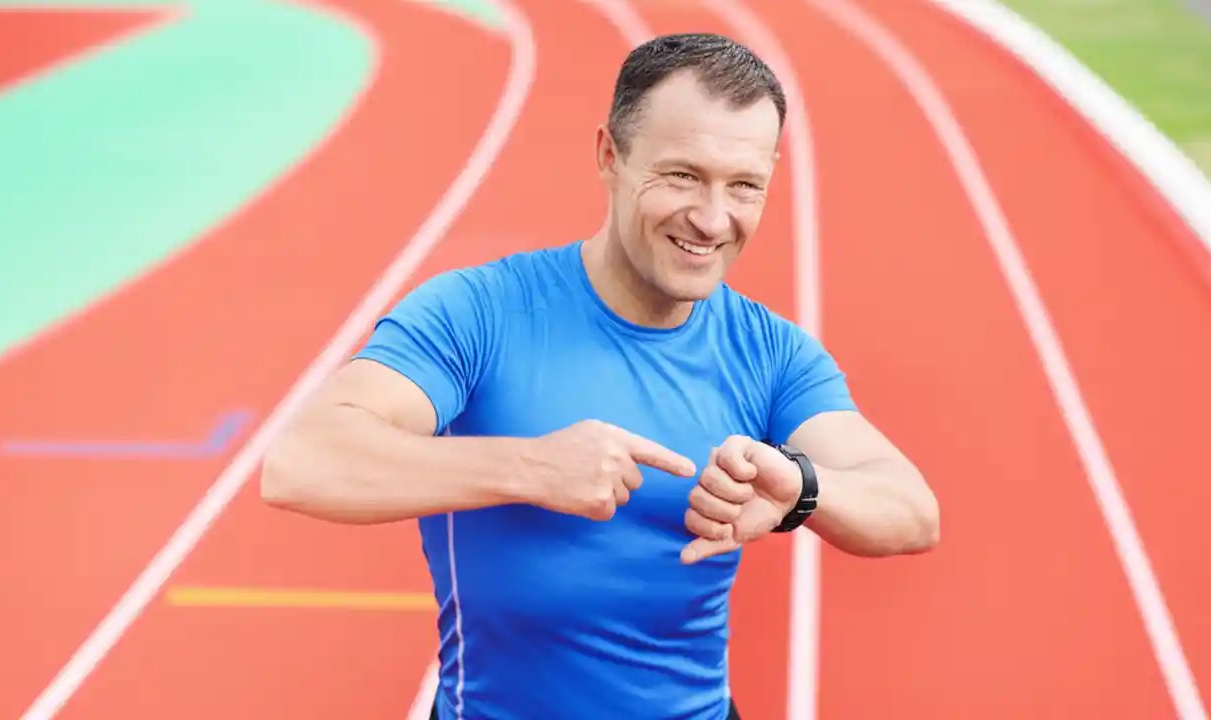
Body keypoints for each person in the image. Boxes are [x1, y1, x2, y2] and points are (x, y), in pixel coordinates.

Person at [261, 32, 938, 720]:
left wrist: (801, 489)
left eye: (743, 186)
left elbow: (911, 510)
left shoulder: (771, 353)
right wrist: (530, 467)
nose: (711, 218)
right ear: (609, 157)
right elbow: (301, 462)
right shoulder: (480, 312)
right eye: (681, 176)